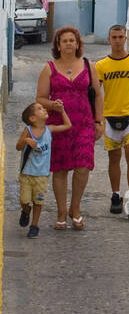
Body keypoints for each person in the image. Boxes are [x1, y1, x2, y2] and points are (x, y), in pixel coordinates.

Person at [36, 25, 104, 231]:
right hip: (59, 124)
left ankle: (76, 208)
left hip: (84, 123)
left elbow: (98, 94)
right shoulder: (49, 67)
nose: (68, 44)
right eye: (64, 41)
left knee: (83, 166)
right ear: (58, 45)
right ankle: (61, 212)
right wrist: (52, 105)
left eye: (71, 40)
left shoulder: (88, 65)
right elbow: (39, 98)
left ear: (77, 44)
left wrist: (99, 121)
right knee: (61, 168)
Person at [95, 24, 129, 218]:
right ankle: (115, 196)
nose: (117, 40)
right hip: (110, 117)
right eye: (114, 37)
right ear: (109, 40)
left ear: (126, 39)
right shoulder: (101, 66)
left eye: (120, 37)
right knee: (114, 158)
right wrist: (98, 117)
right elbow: (96, 93)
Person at [17, 100, 72, 237]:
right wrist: (25, 141)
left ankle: (34, 226)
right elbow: (18, 147)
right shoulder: (27, 131)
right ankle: (25, 210)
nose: (44, 109)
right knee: (24, 200)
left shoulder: (49, 129)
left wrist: (62, 111)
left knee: (38, 201)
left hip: (42, 174)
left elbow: (68, 125)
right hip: (27, 173)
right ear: (32, 118)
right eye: (40, 109)